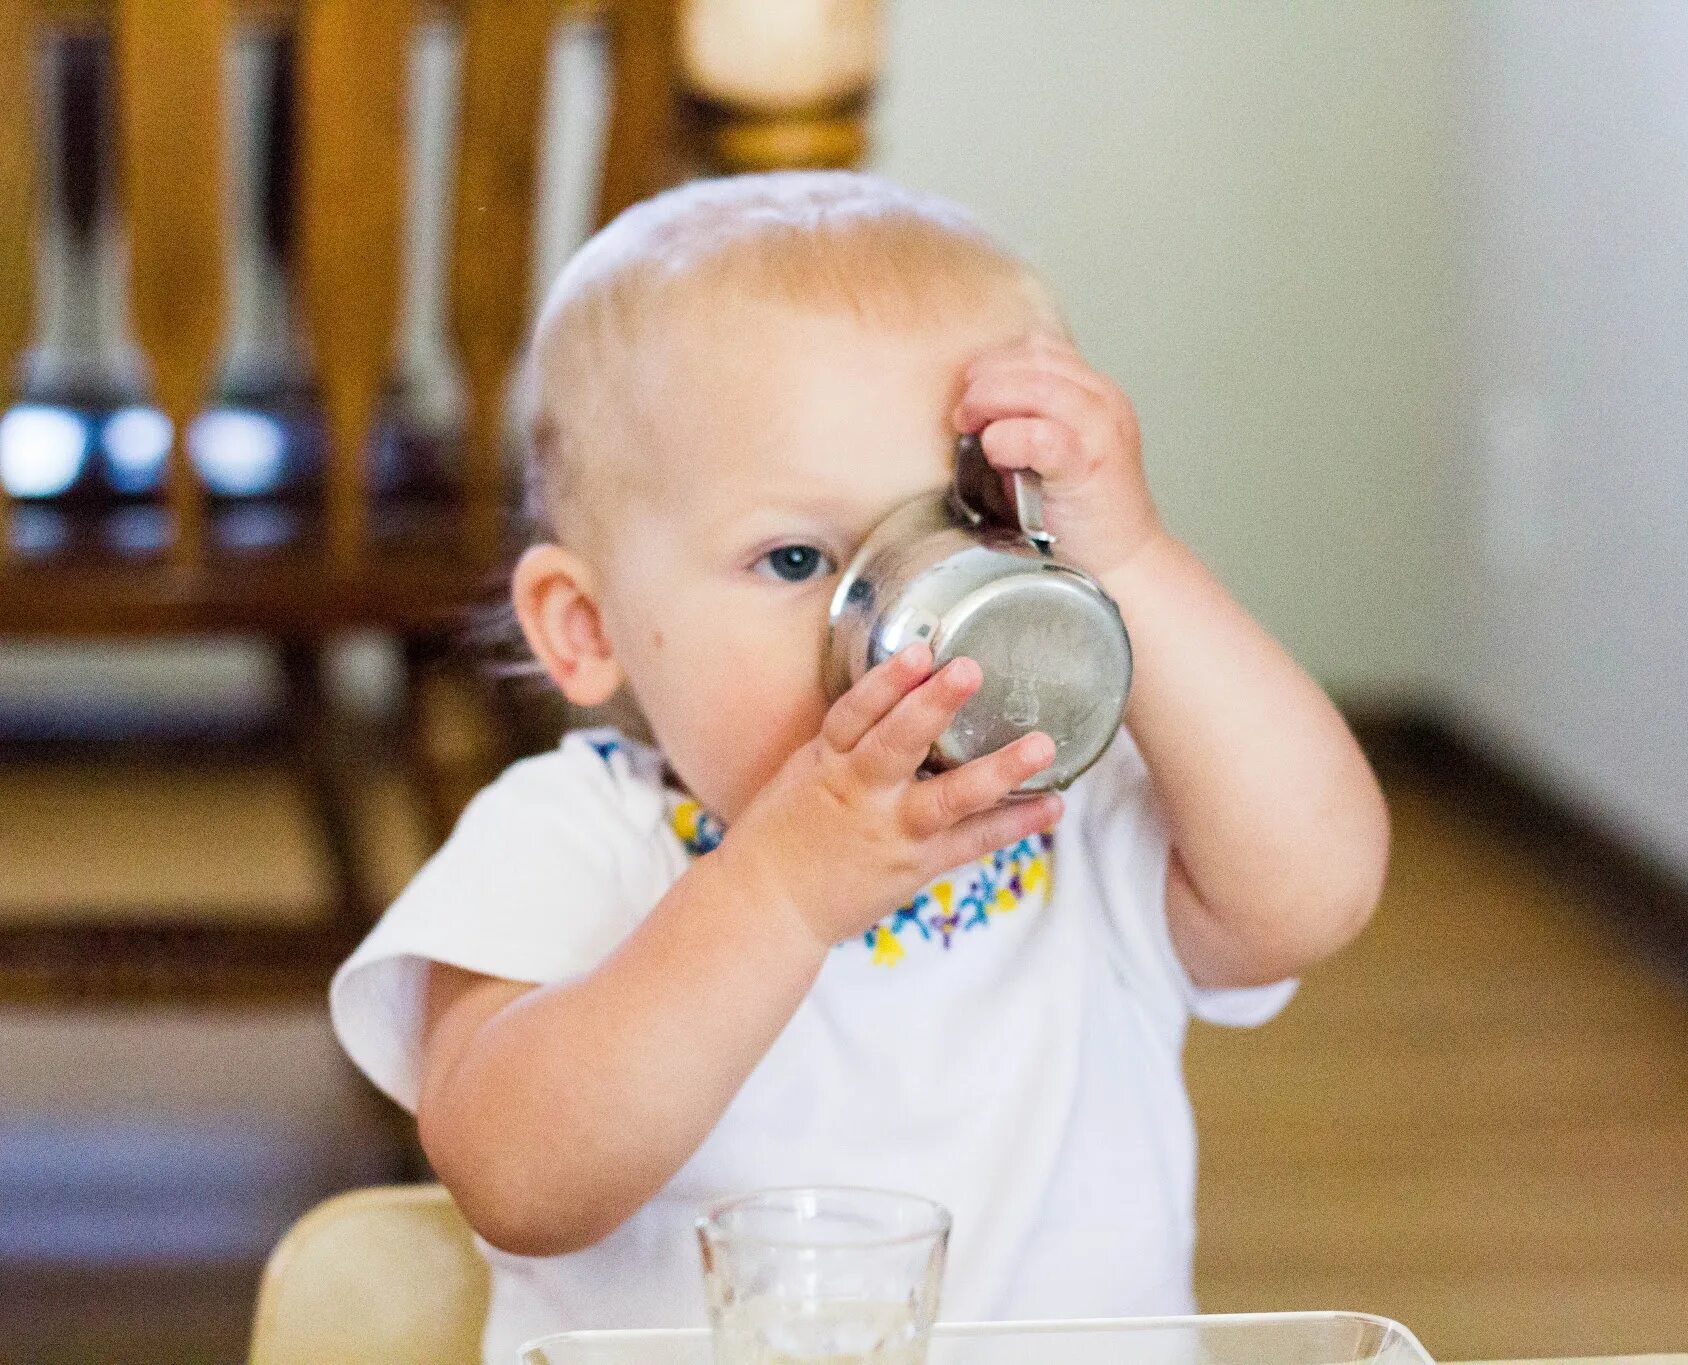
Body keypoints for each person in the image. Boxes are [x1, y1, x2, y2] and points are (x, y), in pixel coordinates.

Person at [330, 170, 1390, 1363]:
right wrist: (779, 893)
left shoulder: (1064, 823)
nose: (915, 618)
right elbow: (520, 1183)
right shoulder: (568, 842)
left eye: (969, 528)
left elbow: (1315, 891)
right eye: (793, 559)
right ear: (588, 627)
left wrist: (1130, 557)